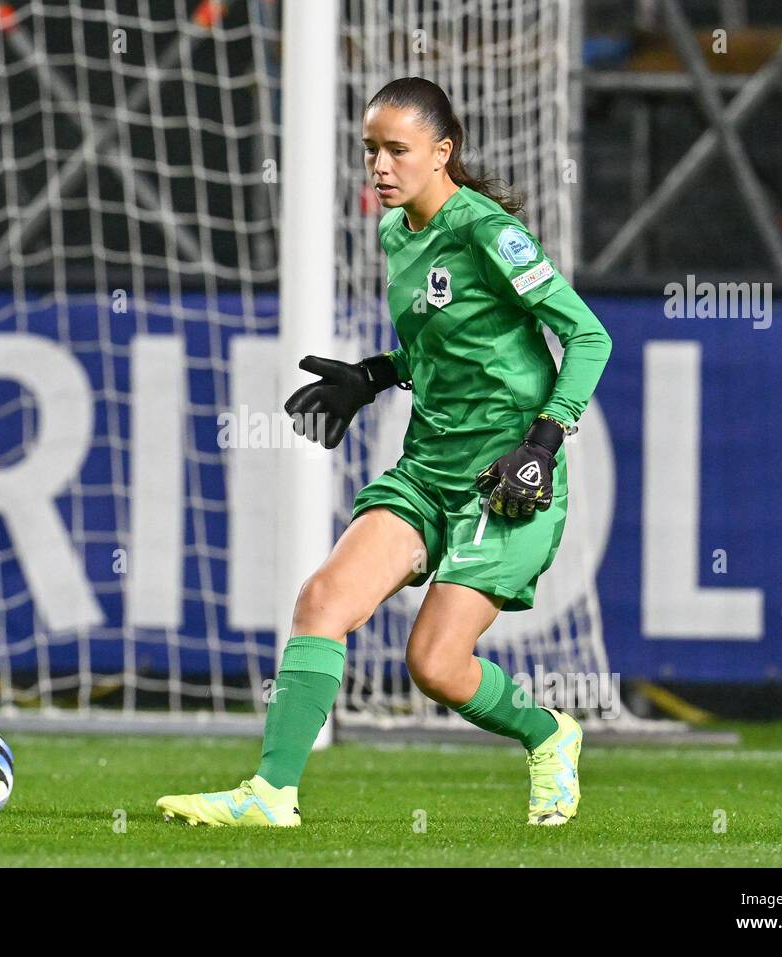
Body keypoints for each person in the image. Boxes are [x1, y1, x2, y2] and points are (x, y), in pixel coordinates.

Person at [156, 76, 612, 828]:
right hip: (428, 468)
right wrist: (374, 375)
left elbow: (589, 335)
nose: (379, 165)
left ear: (442, 152)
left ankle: (548, 731)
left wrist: (543, 439)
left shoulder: (487, 232)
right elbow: (441, 344)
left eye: (397, 150)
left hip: (506, 479)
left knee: (434, 665)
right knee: (322, 599)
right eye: (370, 149)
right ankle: (271, 794)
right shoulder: (397, 232)